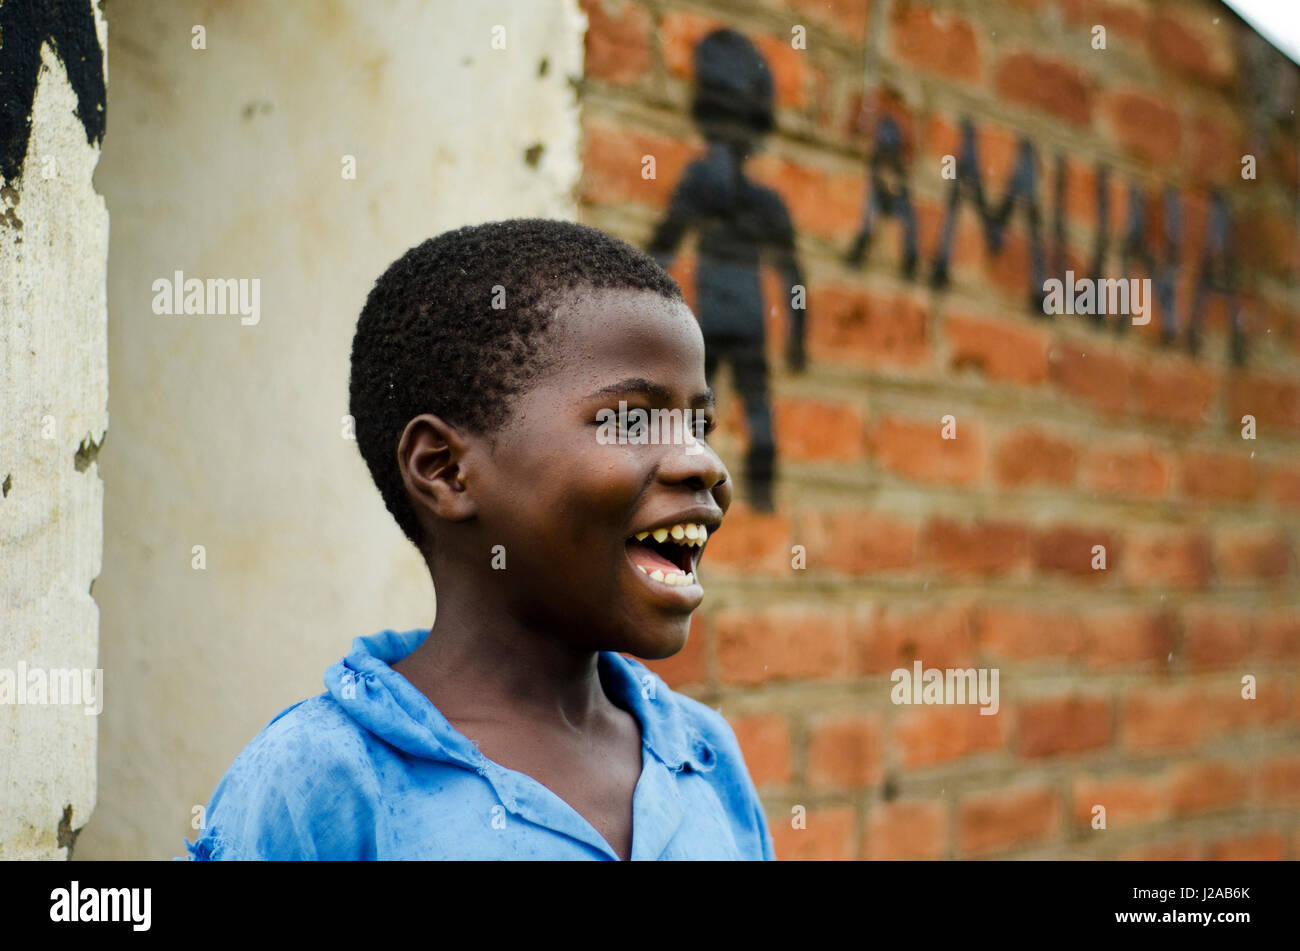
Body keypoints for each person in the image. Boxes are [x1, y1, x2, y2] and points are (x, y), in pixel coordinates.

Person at [183, 219, 775, 860]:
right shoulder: (323, 783)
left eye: (700, 423)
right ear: (444, 469)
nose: (705, 464)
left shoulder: (704, 757)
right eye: (631, 420)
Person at [648, 27, 810, 512]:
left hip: (714, 322)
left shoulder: (703, 184)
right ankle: (749, 491)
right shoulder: (761, 200)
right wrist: (797, 338)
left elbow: (664, 249)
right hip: (743, 323)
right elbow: (792, 275)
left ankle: (708, 487)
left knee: (703, 412)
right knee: (742, 406)